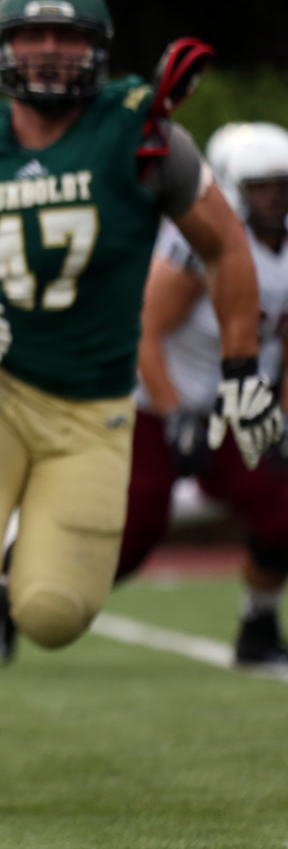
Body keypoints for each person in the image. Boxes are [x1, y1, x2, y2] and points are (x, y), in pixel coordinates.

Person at [0, 0, 277, 817]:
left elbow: (226, 250)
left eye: (69, 37)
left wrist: (245, 367)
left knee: (55, 614)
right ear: (4, 48)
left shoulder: (144, 136)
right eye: (35, 35)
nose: (52, 52)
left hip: (94, 407)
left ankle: (21, 548)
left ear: (97, 52)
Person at [116, 122, 288, 665]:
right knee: (131, 539)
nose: (276, 196)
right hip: (159, 404)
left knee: (281, 511)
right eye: (262, 185)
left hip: (239, 407)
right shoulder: (200, 239)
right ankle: (11, 584)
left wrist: (282, 415)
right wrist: (172, 411)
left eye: (283, 184)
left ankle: (257, 623)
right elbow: (143, 327)